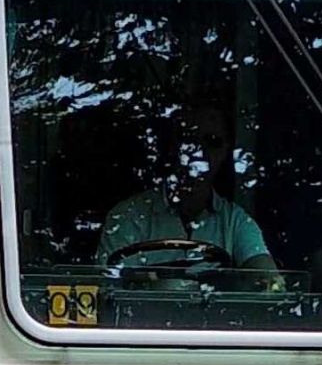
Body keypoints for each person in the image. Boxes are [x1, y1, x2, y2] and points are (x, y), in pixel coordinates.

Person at [98, 107, 278, 272]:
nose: (200, 151)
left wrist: (264, 281)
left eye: (212, 141)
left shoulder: (235, 222)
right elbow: (111, 293)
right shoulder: (128, 217)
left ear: (225, 152)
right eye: (190, 139)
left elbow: (267, 282)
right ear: (172, 146)